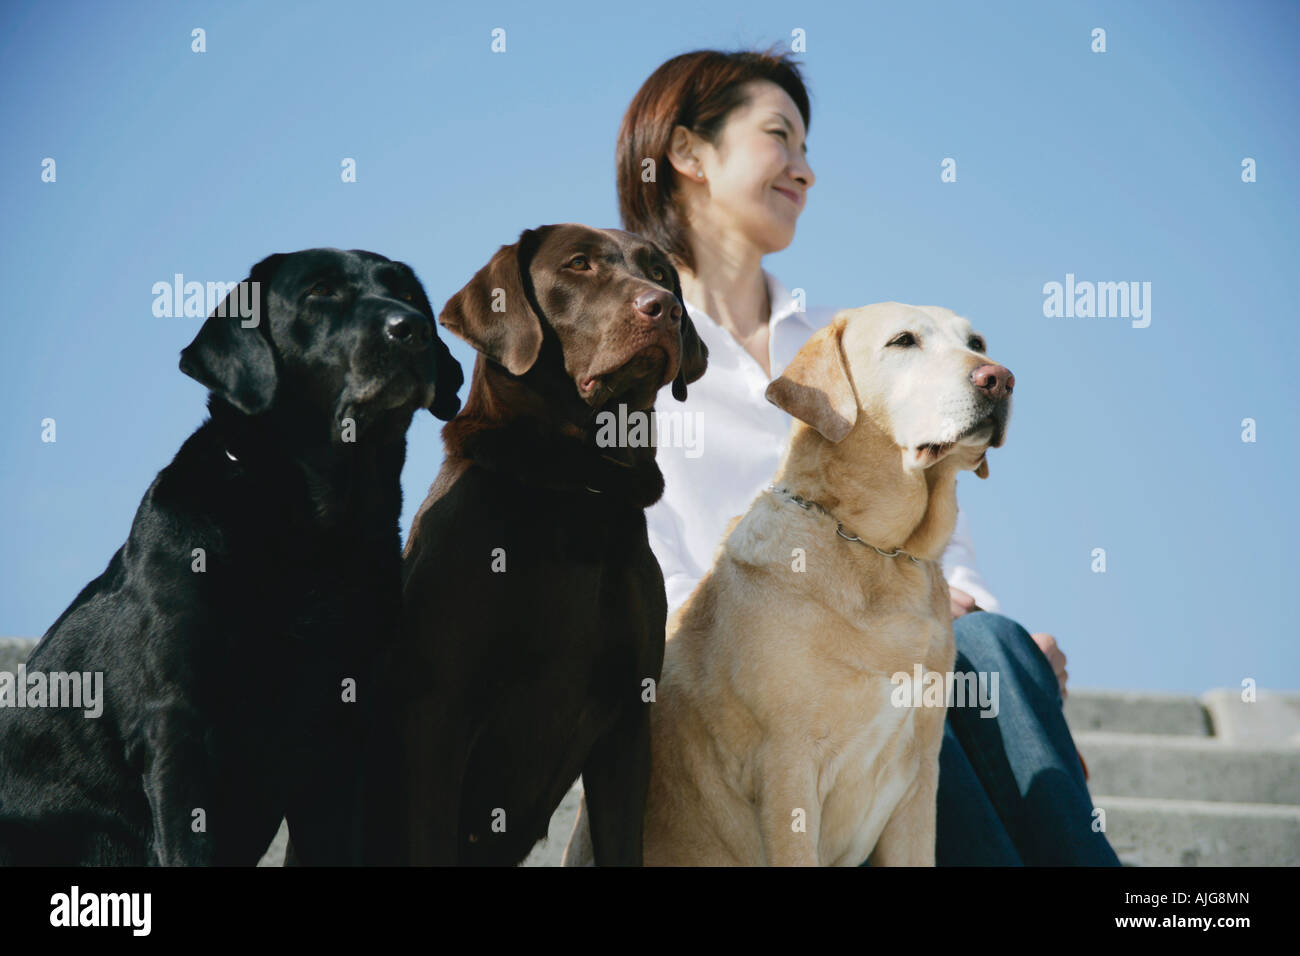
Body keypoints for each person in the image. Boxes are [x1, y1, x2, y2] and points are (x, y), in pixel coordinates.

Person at [618, 48, 1121, 865]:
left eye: (810, 150)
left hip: (896, 648)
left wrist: (963, 603)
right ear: (686, 154)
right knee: (887, 685)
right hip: (745, 707)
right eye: (779, 137)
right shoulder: (636, 357)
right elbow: (657, 579)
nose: (804, 170)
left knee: (988, 648)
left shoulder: (859, 336)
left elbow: (933, 508)